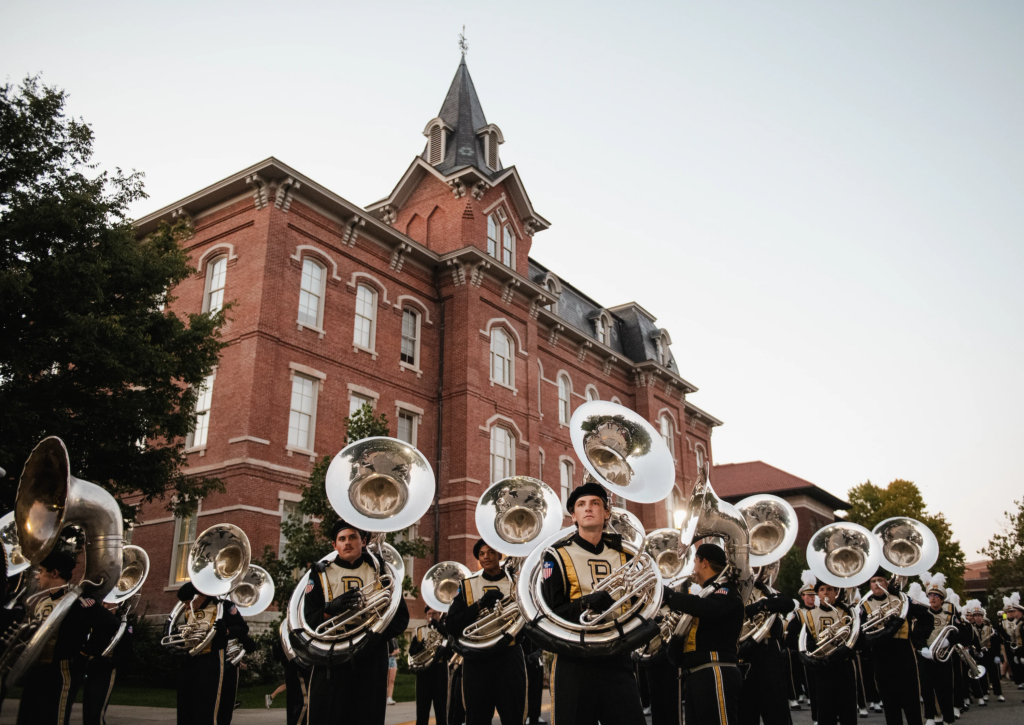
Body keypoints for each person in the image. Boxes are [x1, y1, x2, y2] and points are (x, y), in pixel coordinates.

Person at [539, 481, 648, 725]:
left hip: (617, 657)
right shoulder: (556, 555)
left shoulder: (627, 555)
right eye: (581, 504)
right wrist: (584, 603)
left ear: (607, 512)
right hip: (575, 658)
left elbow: (641, 604)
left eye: (595, 503)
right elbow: (550, 613)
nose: (588, 508)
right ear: (573, 516)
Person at [303, 518, 409, 725]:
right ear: (334, 545)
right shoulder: (319, 573)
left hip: (371, 658)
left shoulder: (381, 571)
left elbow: (401, 618)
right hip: (331, 658)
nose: (347, 542)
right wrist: (331, 608)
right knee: (327, 716)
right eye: (341, 539)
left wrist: (373, 635)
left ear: (364, 541)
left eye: (353, 537)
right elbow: (309, 620)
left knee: (367, 716)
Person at [15, 549, 117, 725]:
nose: (38, 577)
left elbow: (109, 623)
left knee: (54, 718)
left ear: (54, 573)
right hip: (36, 671)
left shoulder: (77, 600)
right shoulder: (42, 602)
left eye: (41, 571)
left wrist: (83, 654)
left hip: (61, 671)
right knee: (28, 717)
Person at [662, 543, 744, 725]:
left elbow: (707, 608)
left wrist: (670, 596)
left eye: (695, 562)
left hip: (716, 671)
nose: (694, 569)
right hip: (697, 675)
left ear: (704, 562)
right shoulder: (709, 593)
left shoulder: (726, 591)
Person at [447, 538, 527, 725]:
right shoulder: (467, 585)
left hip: (509, 656)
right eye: (481, 554)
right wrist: (479, 605)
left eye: (491, 552)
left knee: (513, 716)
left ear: (500, 555)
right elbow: (451, 624)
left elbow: (528, 618)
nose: (486, 557)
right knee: (477, 717)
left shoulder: (517, 583)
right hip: (477, 659)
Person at [858, 568, 931, 725]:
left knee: (912, 704)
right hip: (881, 655)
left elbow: (926, 617)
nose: (877, 584)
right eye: (873, 581)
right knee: (890, 706)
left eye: (880, 580)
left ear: (886, 582)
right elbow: (862, 636)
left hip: (904, 652)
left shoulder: (902, 599)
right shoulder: (864, 606)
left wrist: (917, 636)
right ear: (869, 586)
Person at [173, 578, 249, 725]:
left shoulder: (223, 606)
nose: (186, 607)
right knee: (186, 702)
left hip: (211, 658)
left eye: (189, 602)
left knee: (207, 702)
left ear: (198, 596)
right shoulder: (190, 611)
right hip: (190, 658)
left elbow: (242, 628)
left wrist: (226, 631)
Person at [737, 574, 796, 725]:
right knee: (745, 713)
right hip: (739, 655)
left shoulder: (765, 591)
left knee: (776, 711)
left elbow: (788, 603)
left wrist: (760, 605)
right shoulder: (730, 590)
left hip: (767, 653)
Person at [800, 578, 858, 725]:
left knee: (848, 712)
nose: (825, 592)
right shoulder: (810, 614)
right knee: (825, 713)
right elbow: (807, 640)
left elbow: (857, 639)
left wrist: (843, 652)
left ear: (836, 592)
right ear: (818, 594)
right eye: (822, 590)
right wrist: (811, 649)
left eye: (830, 589)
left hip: (843, 667)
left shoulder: (847, 612)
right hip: (822, 668)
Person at [912, 572, 956, 725]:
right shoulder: (922, 615)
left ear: (942, 599)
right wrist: (923, 648)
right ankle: (930, 716)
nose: (932, 598)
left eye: (936, 596)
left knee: (945, 688)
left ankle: (948, 717)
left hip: (943, 656)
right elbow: (916, 634)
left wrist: (948, 641)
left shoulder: (949, 615)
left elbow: (960, 633)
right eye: (930, 595)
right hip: (926, 655)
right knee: (926, 687)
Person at [83, 600, 133, 725]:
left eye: (107, 604)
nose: (104, 607)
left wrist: (108, 662)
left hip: (105, 669)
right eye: (102, 604)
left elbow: (127, 653)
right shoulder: (96, 622)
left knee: (96, 713)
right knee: (87, 711)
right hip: (90, 668)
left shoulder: (122, 625)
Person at [409, 606, 449, 725]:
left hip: (439, 671)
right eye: (429, 614)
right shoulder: (420, 631)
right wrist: (420, 647)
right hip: (424, 673)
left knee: (441, 709)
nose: (431, 616)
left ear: (440, 614)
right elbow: (411, 651)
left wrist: (439, 627)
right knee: (422, 710)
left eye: (434, 613)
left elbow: (450, 644)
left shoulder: (444, 629)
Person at [788, 570, 820, 719]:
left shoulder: (821, 611)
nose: (812, 598)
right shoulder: (799, 614)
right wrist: (804, 646)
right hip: (807, 653)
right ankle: (815, 717)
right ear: (802, 596)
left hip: (823, 652)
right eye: (809, 595)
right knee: (812, 686)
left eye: (814, 595)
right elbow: (790, 636)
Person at [521, 637, 547, 725]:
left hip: (536, 661)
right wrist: (527, 657)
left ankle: (536, 715)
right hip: (525, 661)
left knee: (537, 689)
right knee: (528, 690)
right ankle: (527, 716)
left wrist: (539, 651)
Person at [387, 637, 400, 705]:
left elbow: (397, 650)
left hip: (392, 659)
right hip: (385, 659)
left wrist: (392, 654)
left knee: (391, 680)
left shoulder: (393, 639)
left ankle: (389, 697)